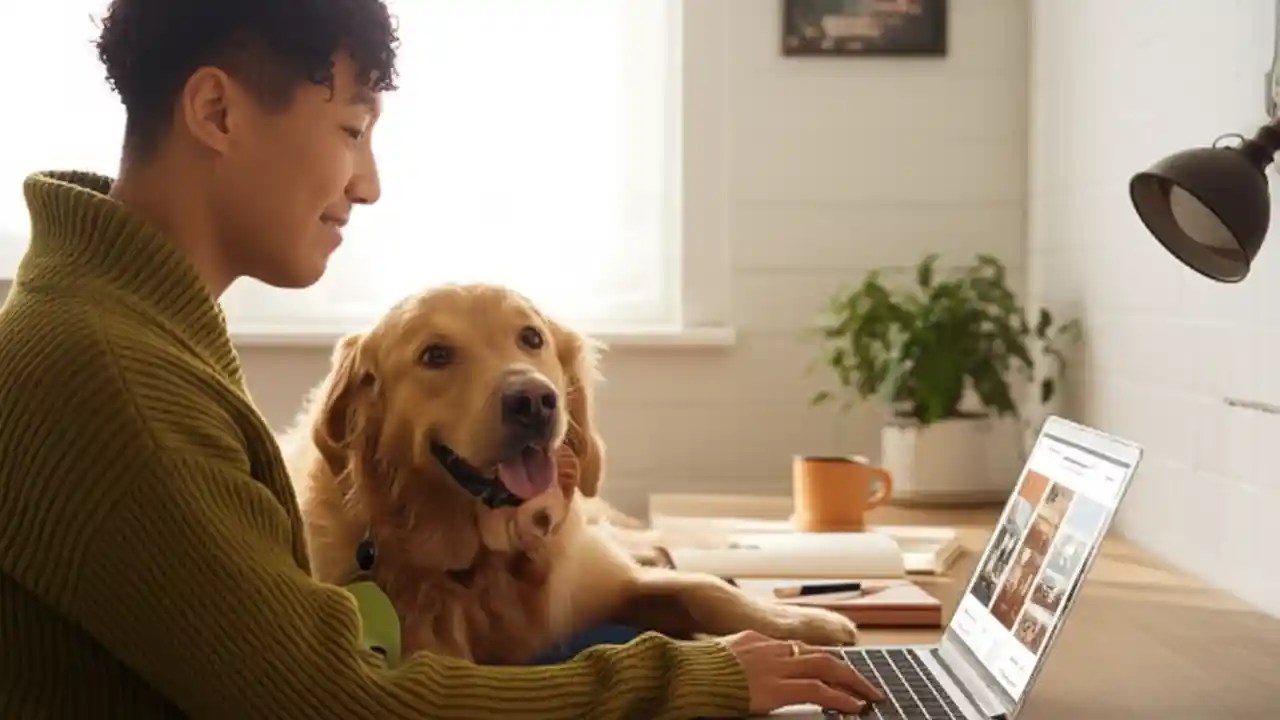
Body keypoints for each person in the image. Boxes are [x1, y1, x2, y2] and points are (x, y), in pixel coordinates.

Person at [0, 1, 886, 717]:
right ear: (217, 111)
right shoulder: (105, 370)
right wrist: (701, 681)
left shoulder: (120, 325)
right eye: (352, 129)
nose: (368, 181)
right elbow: (330, 697)